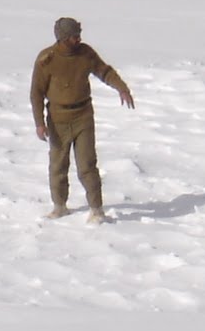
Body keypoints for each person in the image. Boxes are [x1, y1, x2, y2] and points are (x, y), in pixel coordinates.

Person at [29, 17, 135, 223]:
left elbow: (104, 71)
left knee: (87, 164)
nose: (79, 39)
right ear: (63, 39)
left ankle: (96, 209)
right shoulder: (46, 59)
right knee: (58, 165)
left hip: (83, 117)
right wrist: (39, 123)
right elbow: (36, 93)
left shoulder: (86, 53)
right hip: (57, 119)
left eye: (79, 35)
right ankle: (59, 206)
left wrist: (122, 88)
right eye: (74, 36)